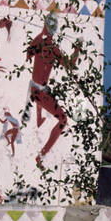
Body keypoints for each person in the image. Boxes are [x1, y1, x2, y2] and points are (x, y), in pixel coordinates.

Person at [21, 15, 77, 165]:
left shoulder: (40, 43)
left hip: (36, 89)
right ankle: (41, 156)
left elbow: (28, 55)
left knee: (46, 98)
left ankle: (38, 118)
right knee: (63, 120)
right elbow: (71, 66)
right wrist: (77, 48)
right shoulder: (52, 49)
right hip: (38, 92)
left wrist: (40, 34)